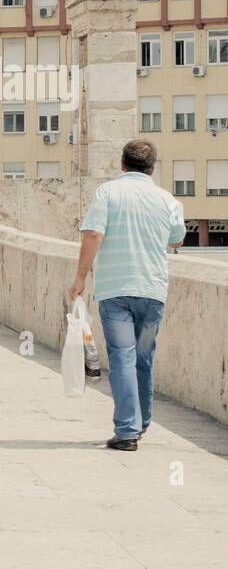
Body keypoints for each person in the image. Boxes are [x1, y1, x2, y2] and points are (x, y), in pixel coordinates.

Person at [68, 139, 185, 451]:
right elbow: (176, 238)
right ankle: (141, 422)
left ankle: (127, 431)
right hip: (152, 291)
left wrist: (79, 278)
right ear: (153, 167)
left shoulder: (108, 193)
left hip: (116, 290)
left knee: (122, 358)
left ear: (122, 164)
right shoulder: (167, 200)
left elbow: (93, 233)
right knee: (144, 357)